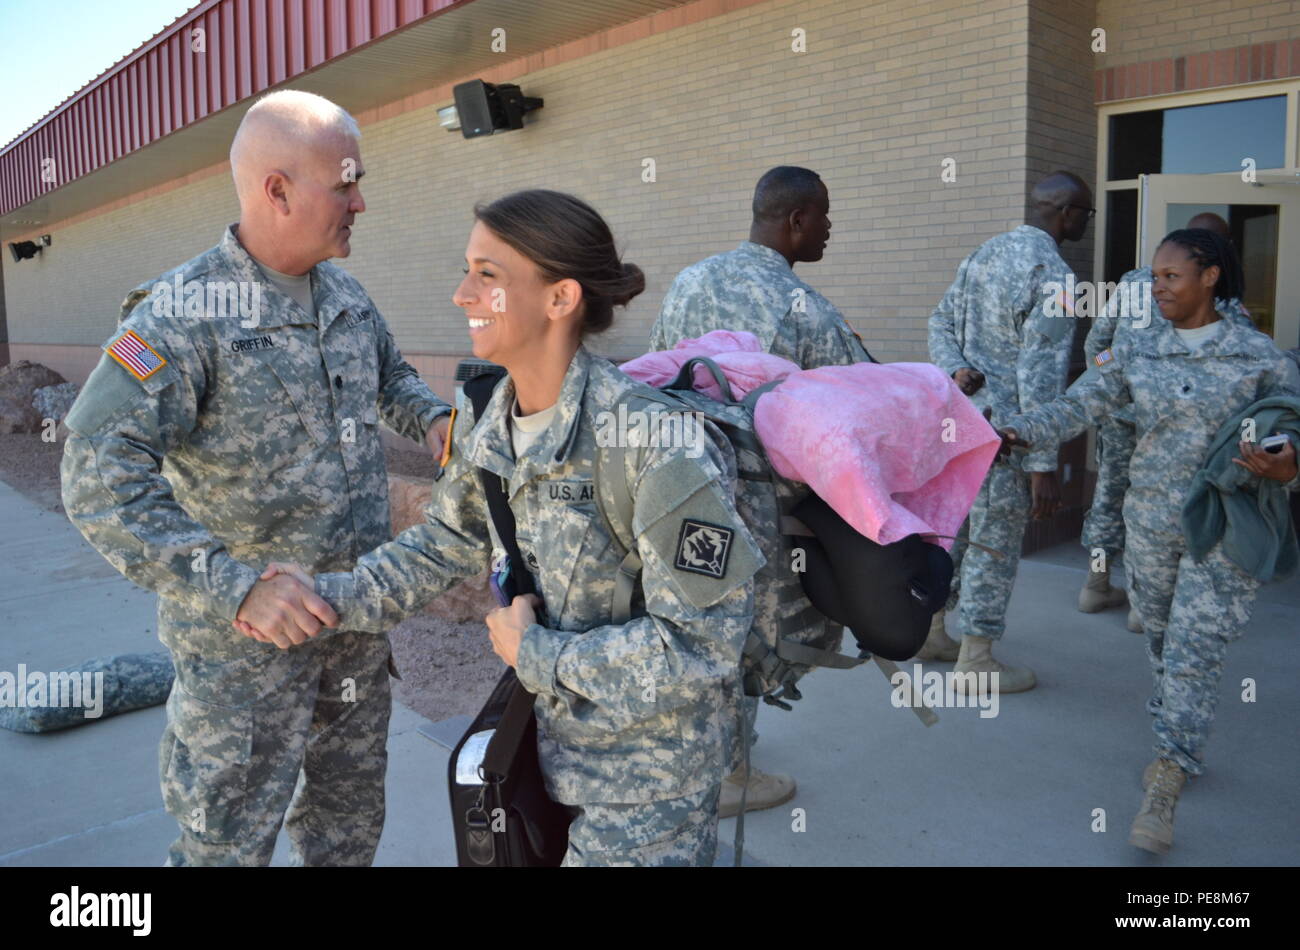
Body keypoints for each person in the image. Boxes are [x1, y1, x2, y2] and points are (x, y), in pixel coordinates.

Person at [243, 189, 765, 866]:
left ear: (560, 298)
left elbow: (705, 646)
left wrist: (536, 654)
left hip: (649, 789)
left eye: (487, 275)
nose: (462, 295)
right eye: (467, 271)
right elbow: (443, 541)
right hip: (547, 758)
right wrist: (324, 595)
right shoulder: (495, 423)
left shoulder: (655, 445)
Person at [60, 90, 453, 866]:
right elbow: (97, 473)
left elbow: (394, 382)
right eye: (344, 183)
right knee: (225, 849)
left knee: (345, 834)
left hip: (353, 635)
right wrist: (235, 585)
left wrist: (438, 422)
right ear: (277, 190)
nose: (360, 200)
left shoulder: (344, 295)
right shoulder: (181, 314)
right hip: (243, 659)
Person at [997, 228, 1300, 854]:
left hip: (1225, 526)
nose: (1154, 288)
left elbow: (1293, 429)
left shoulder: (1260, 355)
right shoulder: (1139, 351)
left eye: (1169, 277)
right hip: (1153, 525)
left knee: (1194, 649)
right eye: (1153, 276)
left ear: (1210, 276)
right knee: (1163, 641)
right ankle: (1180, 735)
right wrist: (1013, 433)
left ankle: (1165, 776)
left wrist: (1289, 465)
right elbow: (1078, 405)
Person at [648, 165, 874, 819]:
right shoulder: (806, 307)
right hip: (762, 510)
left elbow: (658, 375)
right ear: (797, 219)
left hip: (680, 493)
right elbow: (855, 402)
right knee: (744, 634)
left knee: (689, 626)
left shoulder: (691, 281)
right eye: (825, 216)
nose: (829, 229)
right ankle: (727, 774)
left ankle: (687, 757)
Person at [924, 171, 1093, 690]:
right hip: (1007, 439)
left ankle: (931, 630)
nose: (1086, 221)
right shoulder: (1057, 277)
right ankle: (975, 661)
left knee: (956, 532)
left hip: (959, 428)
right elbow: (1040, 374)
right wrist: (1044, 465)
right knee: (993, 544)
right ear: (1066, 213)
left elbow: (939, 322)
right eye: (1085, 212)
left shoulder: (981, 256)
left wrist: (955, 368)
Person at [1080, 212, 1253, 632]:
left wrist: (1111, 376)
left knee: (1110, 498)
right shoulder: (1221, 292)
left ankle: (1095, 584)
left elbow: (1097, 344)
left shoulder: (1132, 281)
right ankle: (1144, 606)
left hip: (1122, 415)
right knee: (1163, 505)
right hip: (1174, 420)